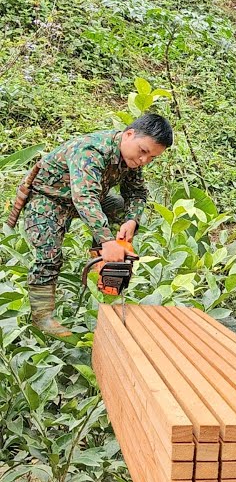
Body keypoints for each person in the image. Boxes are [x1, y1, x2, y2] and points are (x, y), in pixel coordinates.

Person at [18, 114, 172, 337]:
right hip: (50, 199)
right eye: (143, 151)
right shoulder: (91, 150)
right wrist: (107, 239)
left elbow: (137, 193)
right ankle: (43, 318)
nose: (144, 161)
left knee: (121, 210)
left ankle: (105, 270)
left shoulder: (131, 157)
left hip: (88, 198)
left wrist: (131, 220)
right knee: (49, 255)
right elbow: (85, 198)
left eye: (152, 157)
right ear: (129, 135)